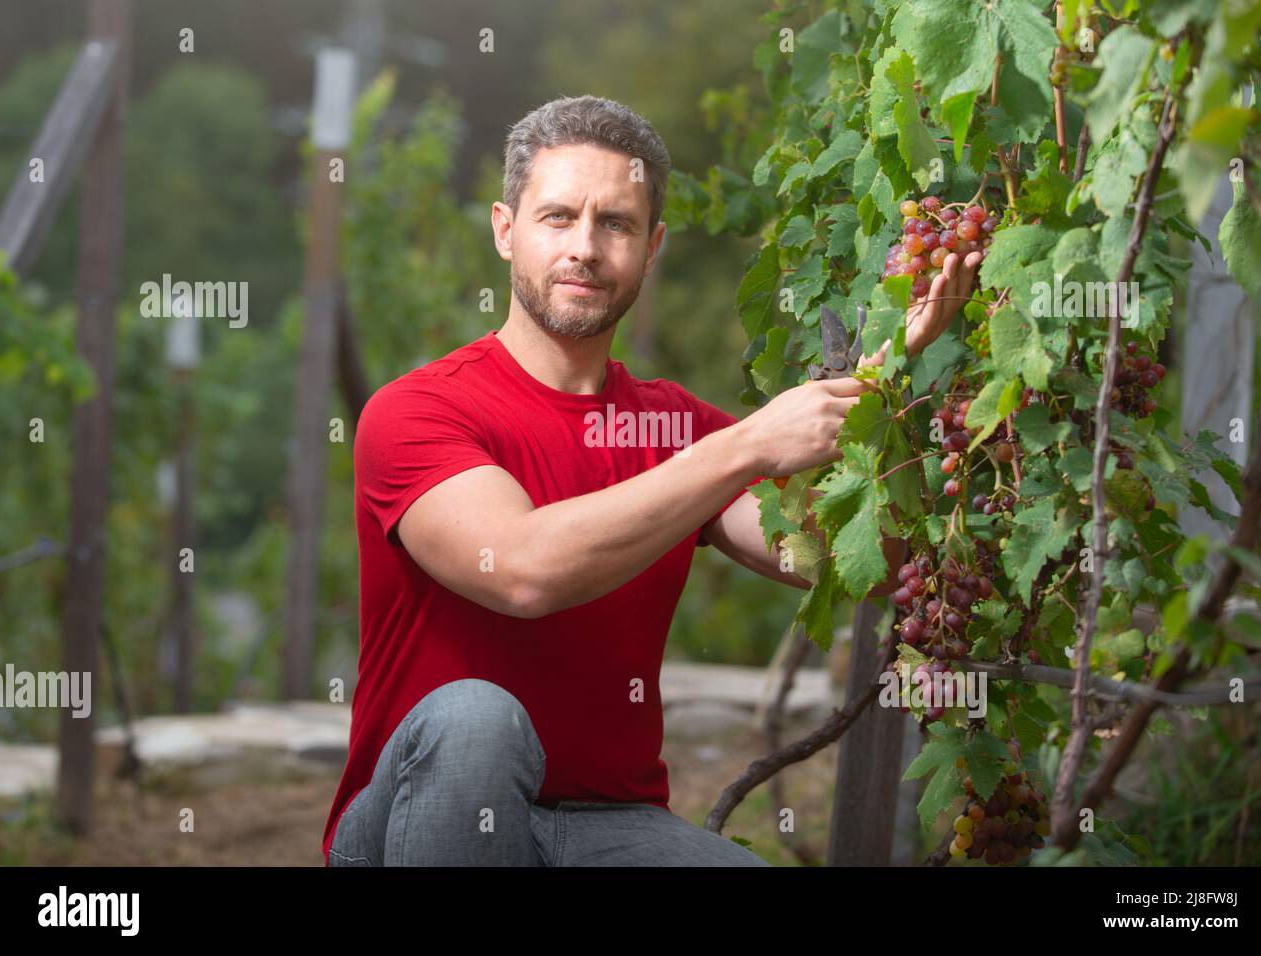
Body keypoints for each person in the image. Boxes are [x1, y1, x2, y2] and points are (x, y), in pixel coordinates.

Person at [324, 94, 981, 867]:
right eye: (558, 217)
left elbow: (833, 564)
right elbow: (525, 570)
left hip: (608, 827)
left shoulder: (679, 428)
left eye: (616, 224)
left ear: (652, 244)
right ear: (506, 231)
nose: (586, 249)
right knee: (475, 719)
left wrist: (883, 387)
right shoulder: (415, 411)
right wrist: (742, 448)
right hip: (422, 824)